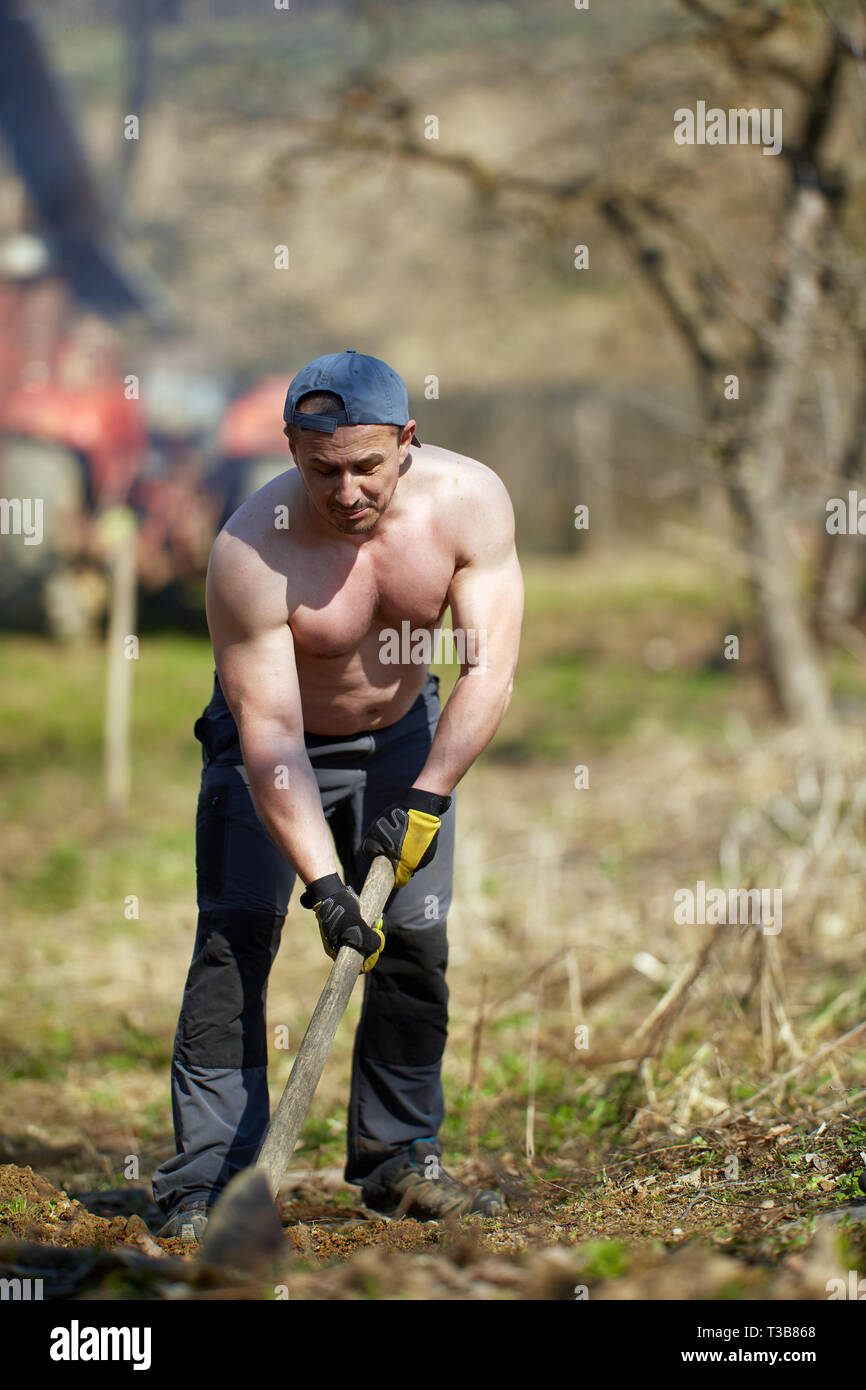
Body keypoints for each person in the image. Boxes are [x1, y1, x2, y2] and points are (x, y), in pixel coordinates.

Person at [152, 350, 524, 1240]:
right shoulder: (252, 549)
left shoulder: (469, 502)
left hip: (406, 744)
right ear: (290, 449)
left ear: (406, 441)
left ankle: (399, 1160)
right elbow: (270, 739)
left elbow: (489, 668)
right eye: (323, 470)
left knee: (414, 946)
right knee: (234, 946)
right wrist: (324, 884)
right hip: (271, 755)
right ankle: (205, 1186)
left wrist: (427, 798)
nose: (348, 491)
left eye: (367, 467)